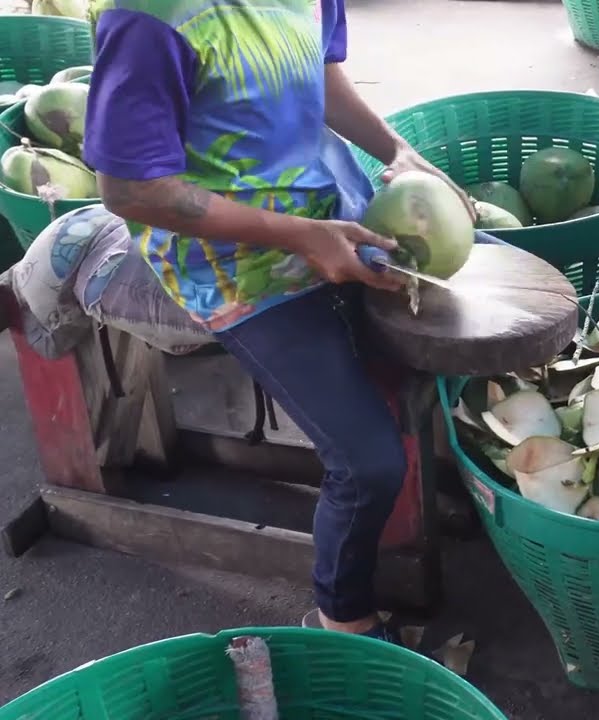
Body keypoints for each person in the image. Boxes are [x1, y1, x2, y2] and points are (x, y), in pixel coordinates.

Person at [83, 0, 474, 644]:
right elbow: (131, 191)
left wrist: (400, 151)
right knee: (367, 464)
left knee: (466, 330)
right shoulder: (148, 20)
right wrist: (300, 237)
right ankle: (343, 616)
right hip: (236, 267)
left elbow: (322, 76)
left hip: (334, 209)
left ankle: (446, 487)